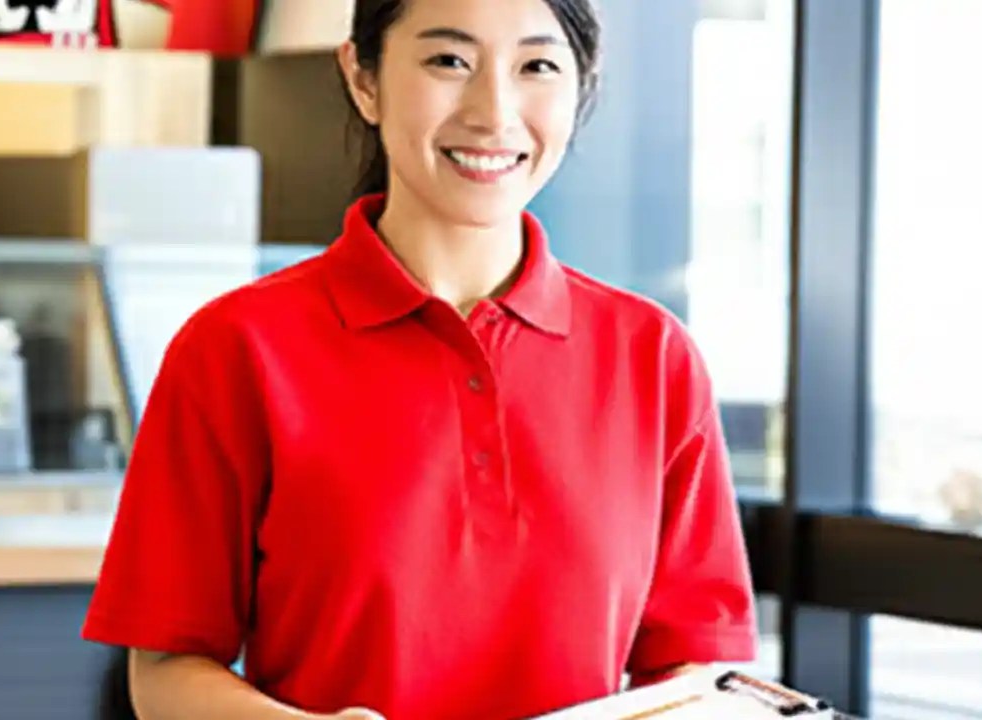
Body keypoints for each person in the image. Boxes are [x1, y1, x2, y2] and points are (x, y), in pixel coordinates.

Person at [81, 0, 758, 718]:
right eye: (448, 61)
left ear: (580, 88)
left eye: (537, 67)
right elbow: (163, 673)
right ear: (362, 79)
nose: (494, 112)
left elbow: (695, 670)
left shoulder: (652, 357)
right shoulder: (235, 348)